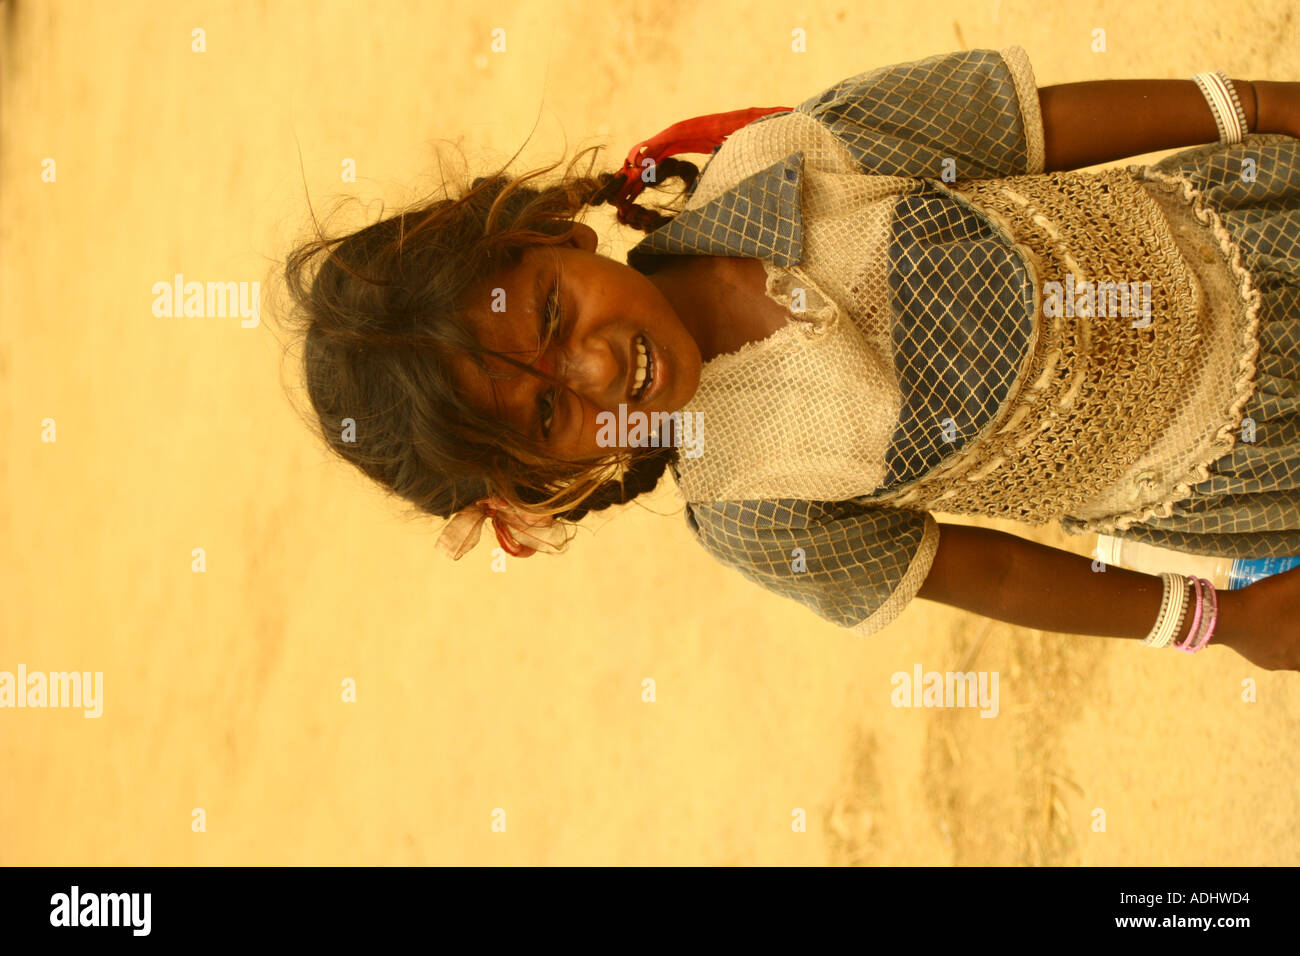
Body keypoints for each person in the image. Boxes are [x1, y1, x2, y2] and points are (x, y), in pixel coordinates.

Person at [281, 47, 1300, 670]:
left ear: (554, 231)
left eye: (552, 315)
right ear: (545, 484)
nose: (591, 369)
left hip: (1239, 231)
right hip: (1237, 452)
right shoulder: (751, 506)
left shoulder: (794, 156)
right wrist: (1218, 618)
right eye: (549, 417)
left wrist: (1262, 102)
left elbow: (1035, 128)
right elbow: (984, 567)